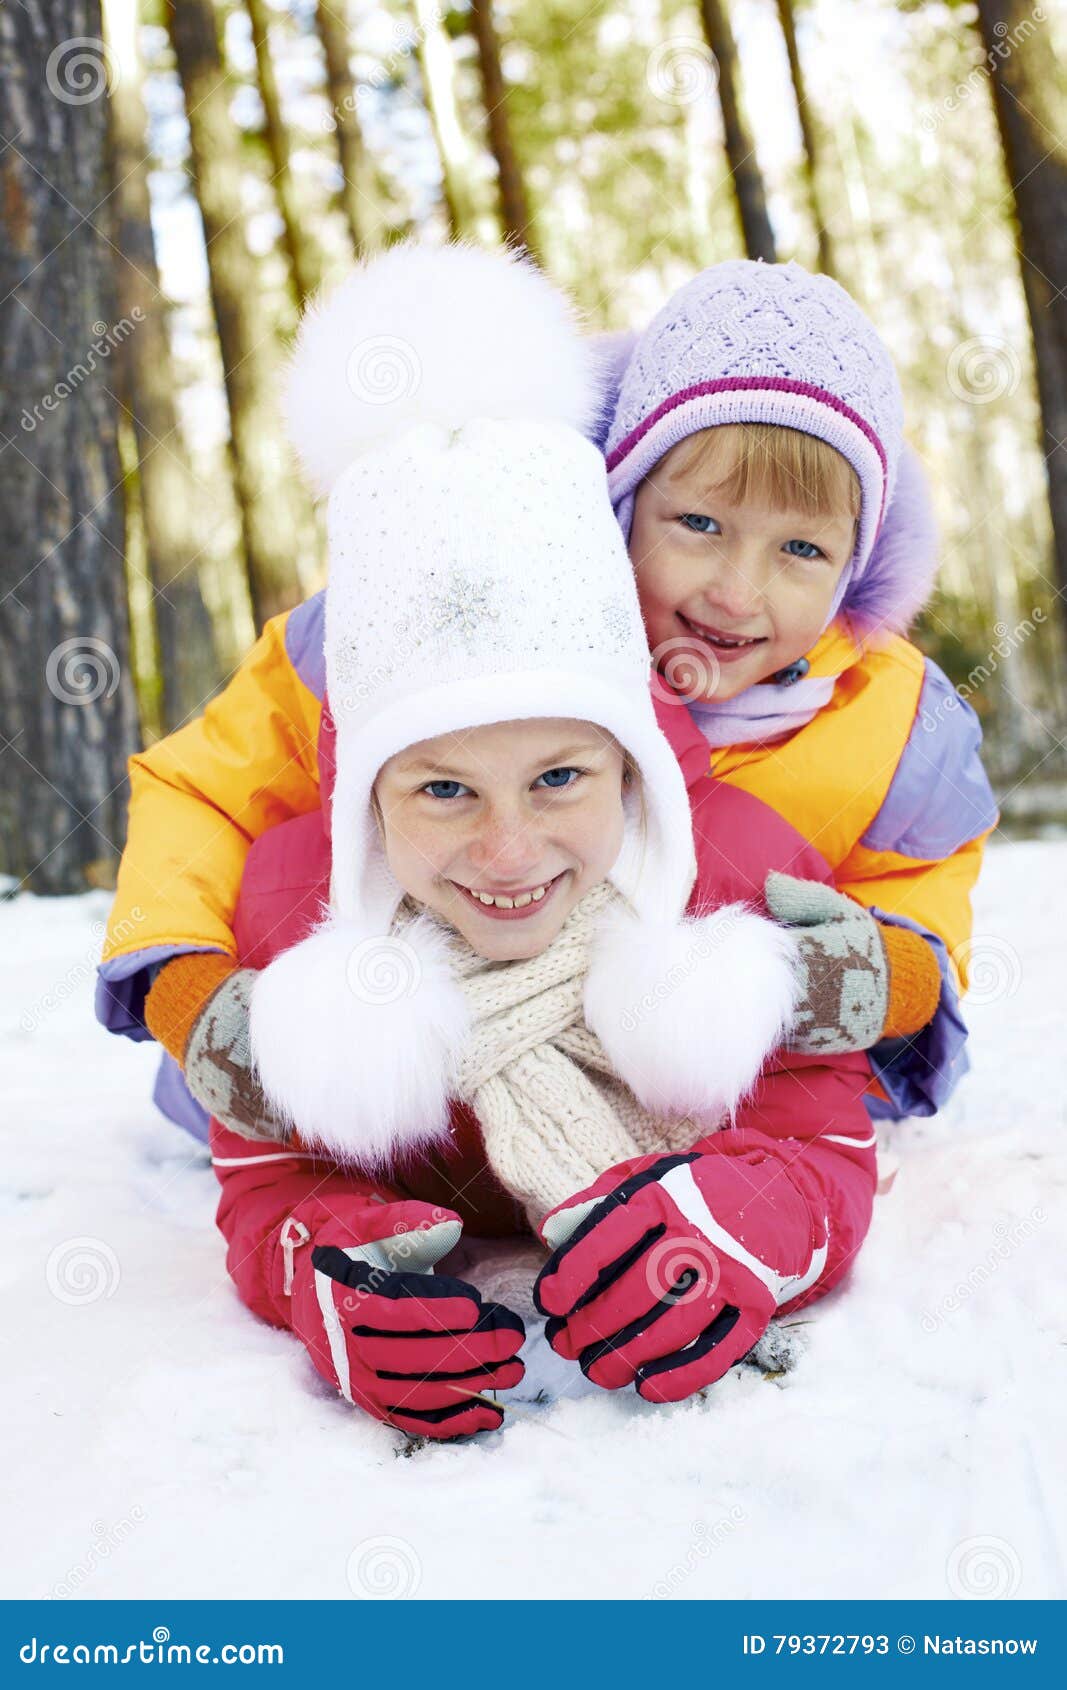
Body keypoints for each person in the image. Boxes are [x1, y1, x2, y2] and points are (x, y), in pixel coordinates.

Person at [132, 243, 879, 1439]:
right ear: (367, 795)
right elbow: (269, 1180)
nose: (507, 847)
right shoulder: (291, 918)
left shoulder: (736, 882)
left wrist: (751, 1224)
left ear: (630, 763)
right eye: (439, 790)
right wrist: (329, 1277)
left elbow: (821, 1129)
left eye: (559, 777)